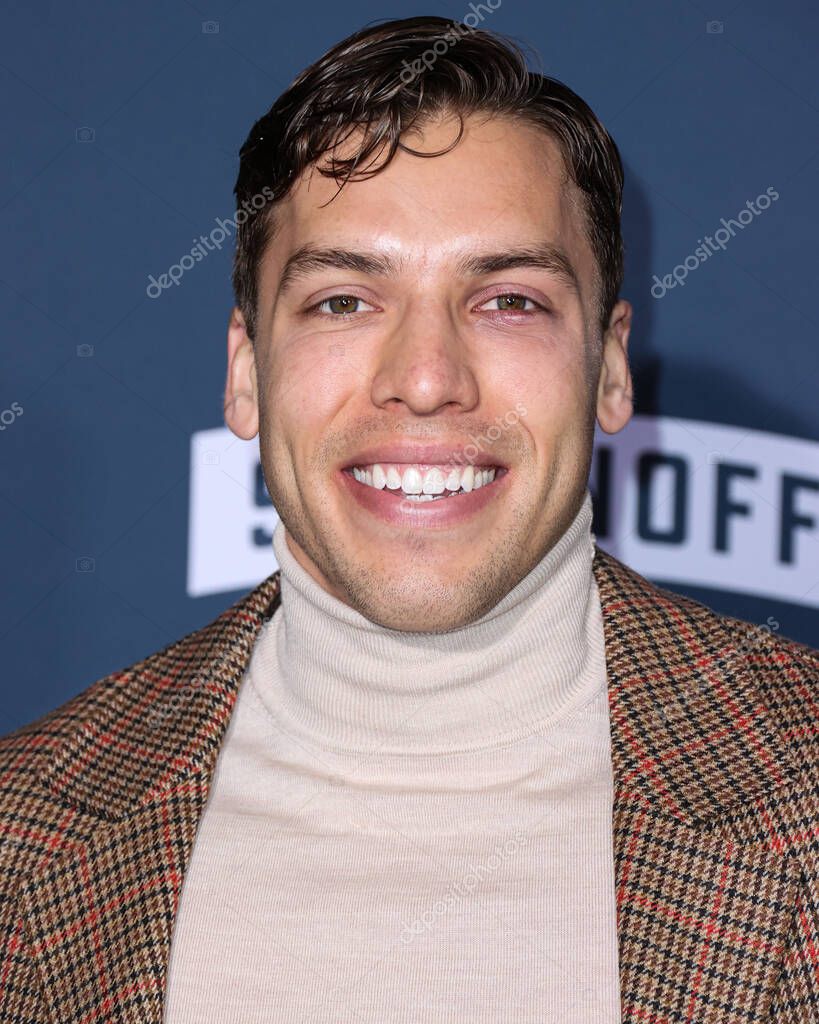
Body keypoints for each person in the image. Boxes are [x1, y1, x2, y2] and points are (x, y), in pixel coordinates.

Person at [1, 16, 817, 1024]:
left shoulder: (804, 780)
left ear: (609, 369)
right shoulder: (23, 825)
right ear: (245, 373)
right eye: (344, 302)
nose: (427, 379)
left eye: (509, 300)